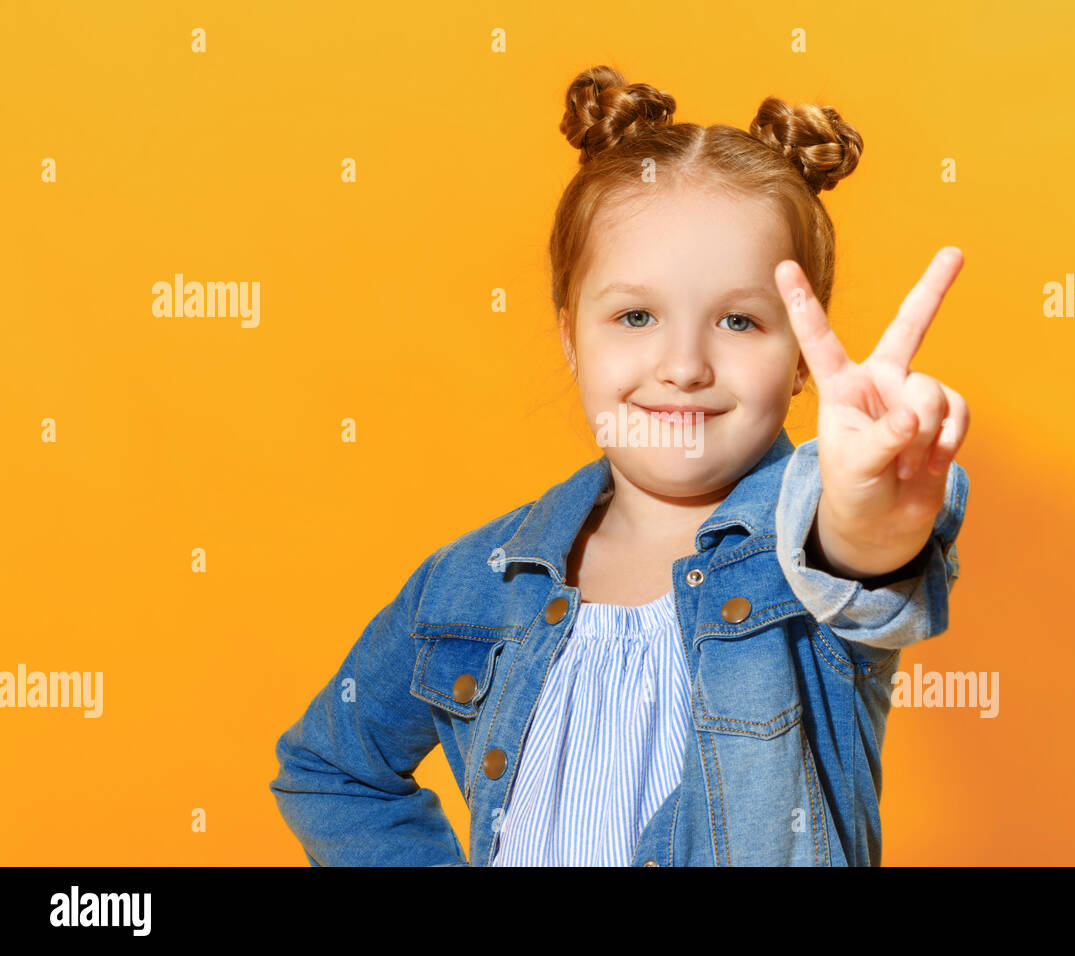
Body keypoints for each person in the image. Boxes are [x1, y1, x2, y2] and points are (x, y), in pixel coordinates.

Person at [269, 64, 971, 866]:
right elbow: (331, 769)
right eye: (635, 315)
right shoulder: (473, 583)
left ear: (804, 359)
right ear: (570, 335)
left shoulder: (807, 547)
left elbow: (862, 564)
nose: (683, 364)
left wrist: (869, 509)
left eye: (739, 322)